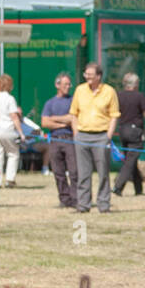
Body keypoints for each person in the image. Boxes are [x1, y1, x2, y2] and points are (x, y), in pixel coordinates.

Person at [70, 62, 119, 214]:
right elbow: (73, 113)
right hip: (82, 136)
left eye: (90, 75)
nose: (87, 77)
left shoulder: (109, 91)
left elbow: (114, 115)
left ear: (99, 76)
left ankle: (104, 205)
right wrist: (76, 134)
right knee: (83, 173)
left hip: (101, 136)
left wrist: (108, 136)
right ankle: (83, 205)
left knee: (103, 172)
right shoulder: (79, 90)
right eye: (86, 74)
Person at [112, 72, 145, 197]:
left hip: (122, 130)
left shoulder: (119, 95)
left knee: (130, 158)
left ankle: (138, 188)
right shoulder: (139, 96)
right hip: (135, 131)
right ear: (136, 84)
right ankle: (118, 186)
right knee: (130, 159)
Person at [41, 72, 78, 209]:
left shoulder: (73, 101)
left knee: (74, 171)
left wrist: (55, 118)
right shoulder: (50, 103)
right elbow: (45, 122)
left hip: (70, 140)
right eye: (65, 84)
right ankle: (64, 199)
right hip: (55, 140)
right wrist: (63, 123)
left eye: (69, 84)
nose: (68, 87)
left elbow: (72, 118)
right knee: (58, 172)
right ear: (57, 85)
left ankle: (75, 199)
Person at [0, 74, 26, 188]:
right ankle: (10, 179)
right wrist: (21, 133)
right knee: (13, 154)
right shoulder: (10, 99)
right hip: (8, 130)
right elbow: (14, 116)